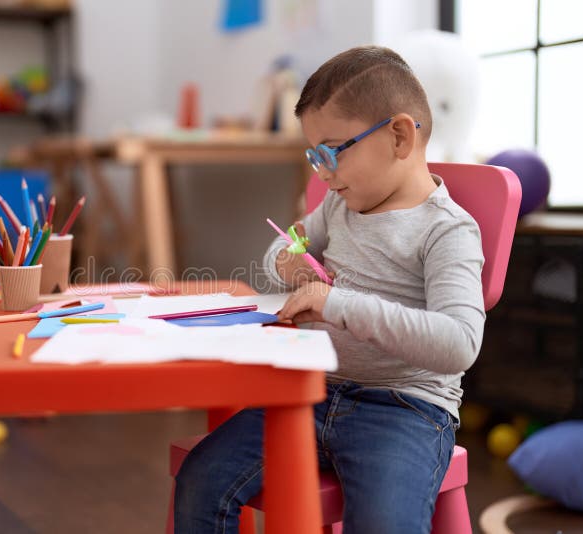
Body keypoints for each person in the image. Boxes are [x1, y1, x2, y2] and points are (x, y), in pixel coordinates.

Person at [174, 45, 485, 534]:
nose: (321, 172)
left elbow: (459, 343)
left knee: (385, 524)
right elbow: (282, 247)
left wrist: (337, 304)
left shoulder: (447, 230)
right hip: (312, 394)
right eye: (312, 155)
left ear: (400, 136)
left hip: (406, 409)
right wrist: (287, 262)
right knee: (200, 479)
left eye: (331, 151)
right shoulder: (338, 207)